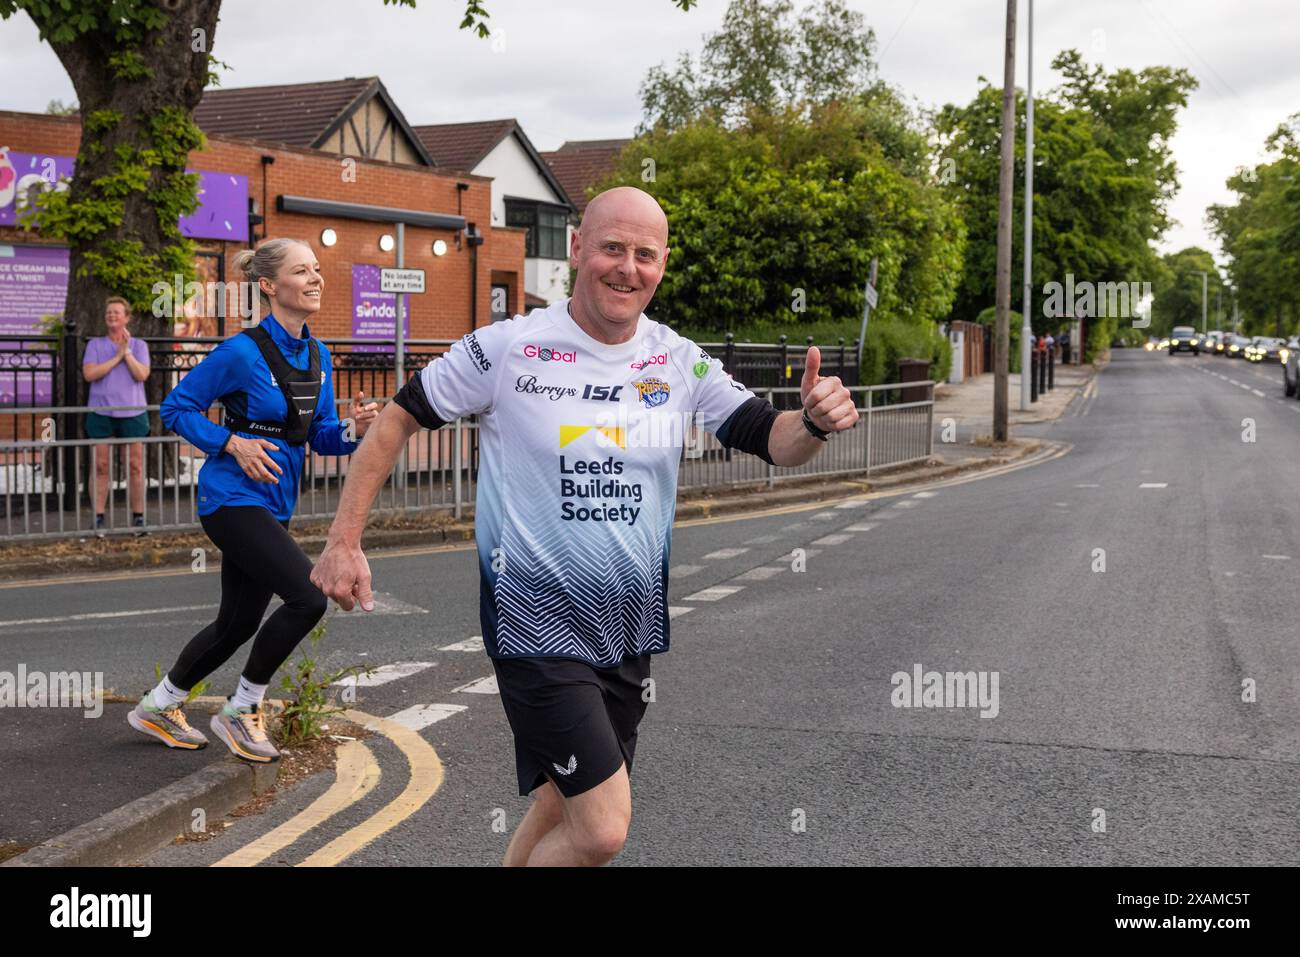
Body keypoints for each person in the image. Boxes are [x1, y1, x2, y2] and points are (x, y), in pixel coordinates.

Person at [310, 187, 859, 865]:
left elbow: (772, 439)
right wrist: (343, 539)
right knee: (601, 828)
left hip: (628, 627)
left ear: (661, 265)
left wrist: (811, 420)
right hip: (534, 622)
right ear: (577, 249)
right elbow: (396, 419)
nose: (627, 267)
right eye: (612, 248)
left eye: (645, 254)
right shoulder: (508, 348)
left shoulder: (676, 360)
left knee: (557, 801)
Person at [127, 238, 379, 761]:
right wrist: (231, 442)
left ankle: (160, 703)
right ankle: (243, 709)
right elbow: (177, 408)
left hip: (274, 504)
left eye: (317, 270)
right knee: (308, 597)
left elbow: (317, 434)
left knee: (237, 623)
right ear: (269, 286)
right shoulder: (241, 352)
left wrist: (354, 429)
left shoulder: (317, 354)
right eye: (301, 271)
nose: (315, 279)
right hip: (230, 498)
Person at [82, 297, 150, 537]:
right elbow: (90, 374)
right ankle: (98, 518)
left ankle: (139, 519)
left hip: (133, 413)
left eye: (117, 313)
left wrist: (127, 353)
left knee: (135, 466)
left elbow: (142, 375)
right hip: (101, 412)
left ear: (127, 317)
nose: (112, 316)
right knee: (100, 466)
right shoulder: (95, 345)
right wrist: (117, 356)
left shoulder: (139, 345)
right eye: (108, 312)